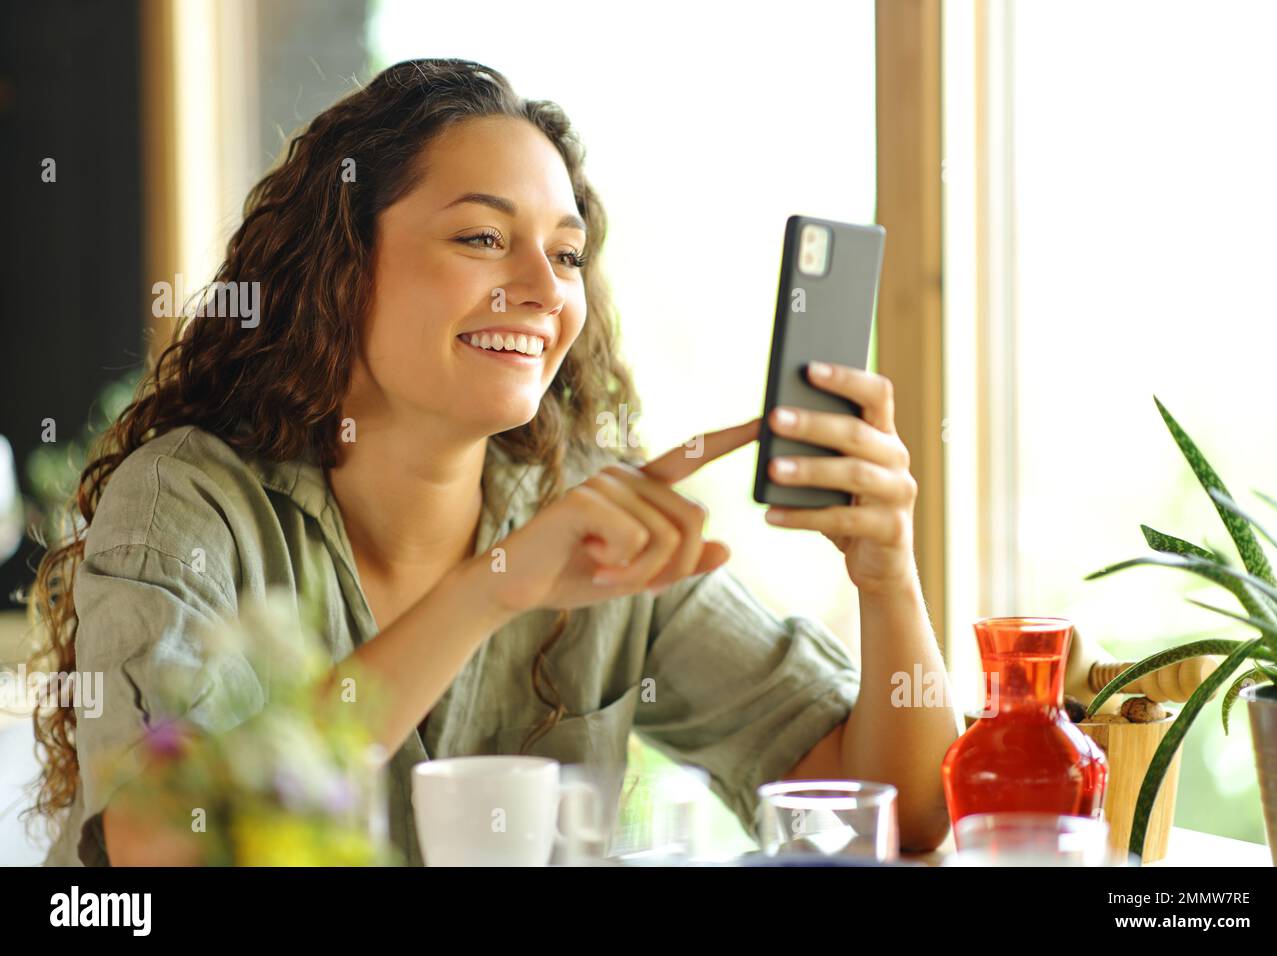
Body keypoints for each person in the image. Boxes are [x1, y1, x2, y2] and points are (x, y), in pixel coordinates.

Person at [27, 58, 959, 866]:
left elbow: (898, 812)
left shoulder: (585, 517)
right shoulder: (187, 502)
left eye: (566, 253)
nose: (546, 287)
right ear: (341, 264)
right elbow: (168, 845)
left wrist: (888, 580)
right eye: (482, 237)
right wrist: (492, 588)